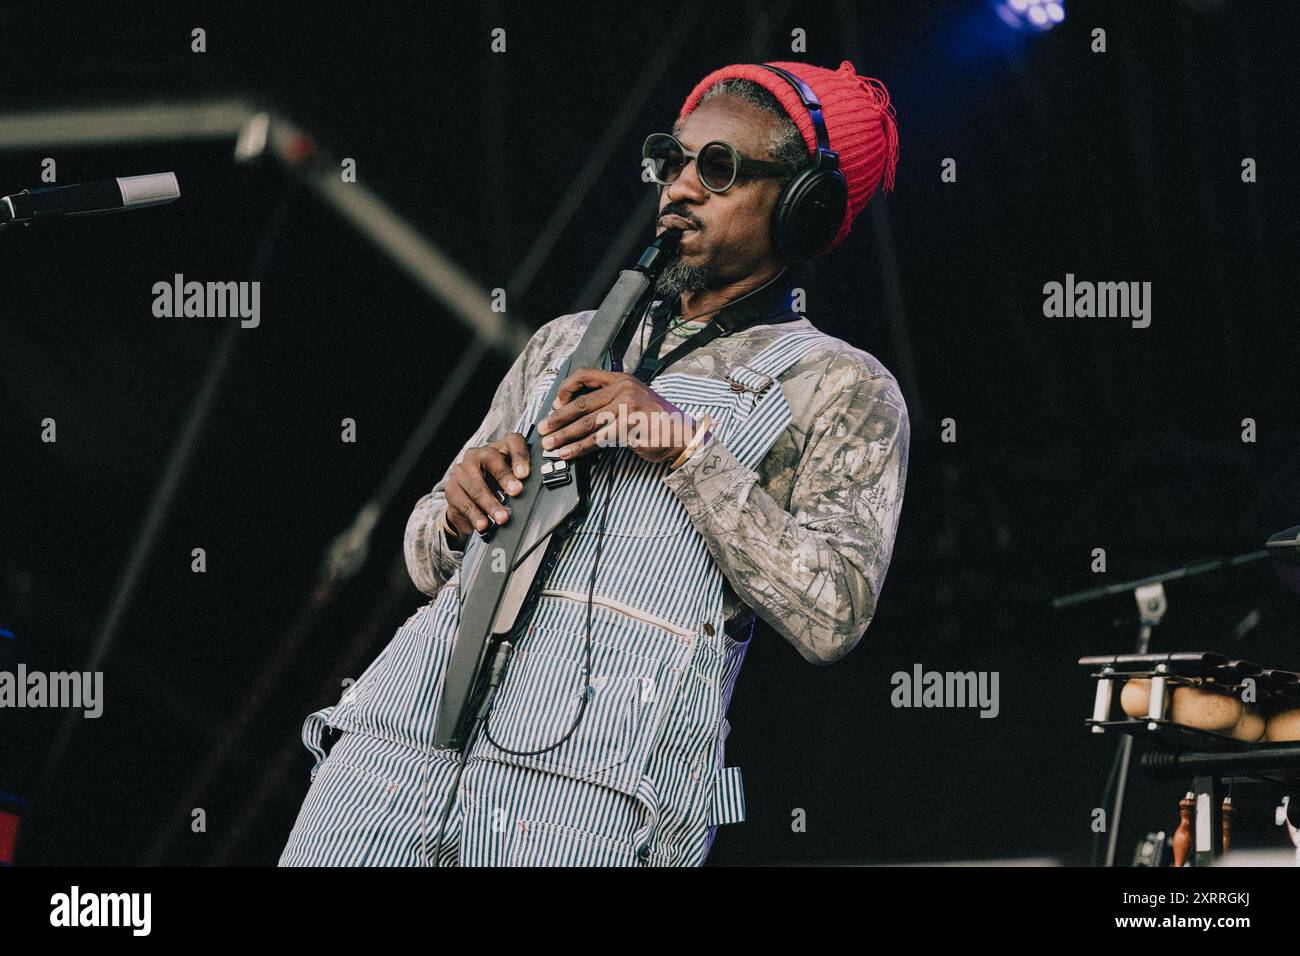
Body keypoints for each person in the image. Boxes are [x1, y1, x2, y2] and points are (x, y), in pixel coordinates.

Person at [279, 59, 908, 867]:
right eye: (673, 160)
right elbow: (427, 556)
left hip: (591, 799)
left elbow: (833, 615)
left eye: (719, 169)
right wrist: (457, 512)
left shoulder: (841, 386)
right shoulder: (562, 342)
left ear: (803, 209)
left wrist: (685, 448)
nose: (679, 187)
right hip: (396, 749)